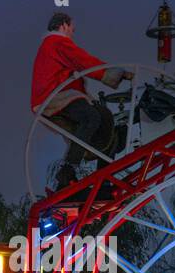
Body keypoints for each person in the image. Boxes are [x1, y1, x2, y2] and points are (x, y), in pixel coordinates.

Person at [30, 12, 133, 191]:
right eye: (72, 29)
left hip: (62, 95)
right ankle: (67, 172)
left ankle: (103, 177)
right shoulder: (56, 42)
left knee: (106, 117)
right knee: (91, 117)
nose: (72, 33)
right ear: (63, 25)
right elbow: (84, 61)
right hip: (56, 96)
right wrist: (116, 73)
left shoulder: (52, 46)